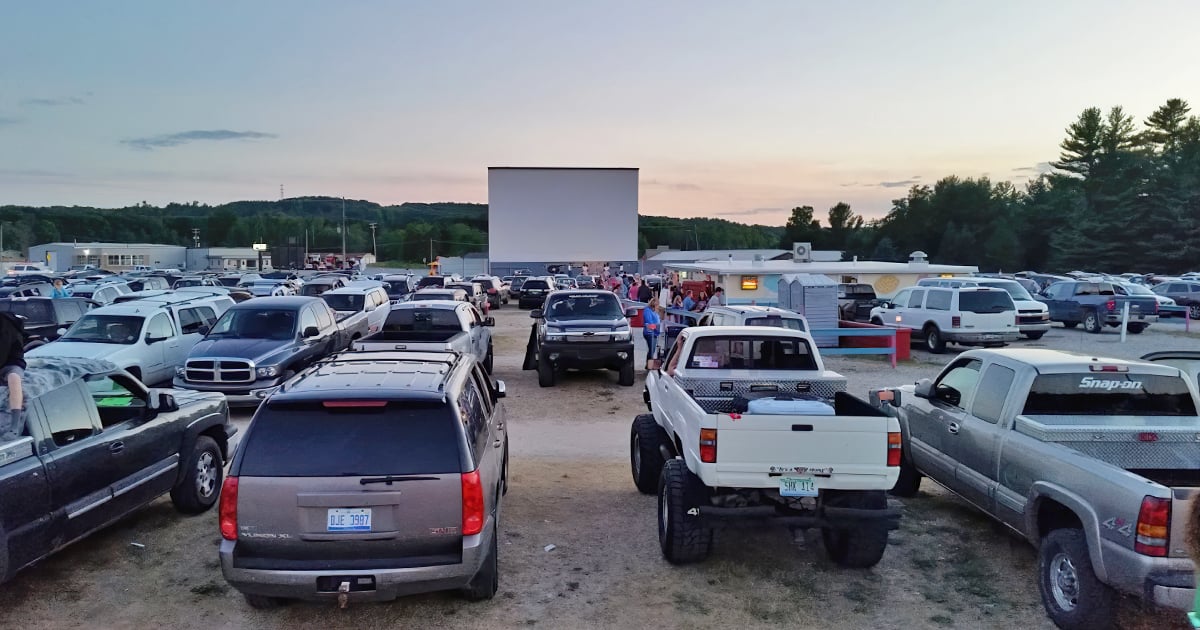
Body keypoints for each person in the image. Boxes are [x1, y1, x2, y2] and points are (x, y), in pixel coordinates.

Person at [0, 311, 27, 442]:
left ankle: (14, 427)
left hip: (12, 362)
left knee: (14, 379)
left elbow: (3, 351)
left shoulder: (5, 325)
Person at [642, 297, 661, 366]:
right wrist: (657, 327)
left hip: (655, 333)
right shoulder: (647, 310)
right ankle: (649, 365)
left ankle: (648, 364)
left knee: (652, 350)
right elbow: (648, 323)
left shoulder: (655, 312)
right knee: (651, 350)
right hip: (649, 332)